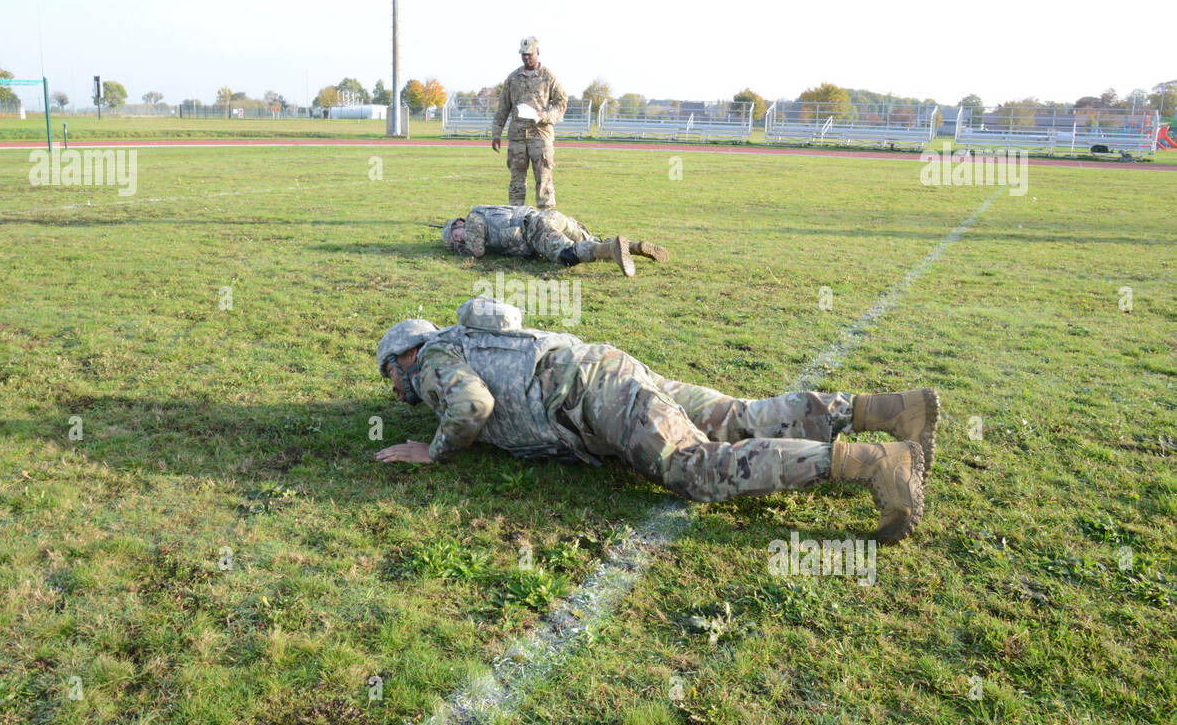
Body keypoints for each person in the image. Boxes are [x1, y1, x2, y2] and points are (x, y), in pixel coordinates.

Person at [374, 298, 940, 543]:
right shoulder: (470, 339)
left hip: (595, 398)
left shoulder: (433, 359)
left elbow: (472, 405)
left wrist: (437, 449)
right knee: (737, 418)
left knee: (697, 468)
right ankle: (891, 410)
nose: (396, 389)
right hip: (609, 369)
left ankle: (875, 464)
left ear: (404, 354)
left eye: (389, 376)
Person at [438, 204, 668, 276]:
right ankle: (635, 247)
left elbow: (475, 251)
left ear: (458, 225)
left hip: (535, 229)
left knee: (568, 254)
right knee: (589, 240)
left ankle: (611, 249)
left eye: (456, 238)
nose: (460, 242)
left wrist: (462, 251)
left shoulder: (473, 218)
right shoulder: (482, 215)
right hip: (549, 218)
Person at [491, 37, 568, 208]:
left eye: (530, 54)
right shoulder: (513, 78)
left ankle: (546, 222)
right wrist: (496, 134)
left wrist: (545, 116)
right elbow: (503, 108)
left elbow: (561, 103)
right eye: (523, 55)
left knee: (544, 182)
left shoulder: (548, 77)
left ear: (537, 53)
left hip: (540, 137)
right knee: (516, 183)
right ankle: (516, 219)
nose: (526, 58)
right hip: (517, 138)